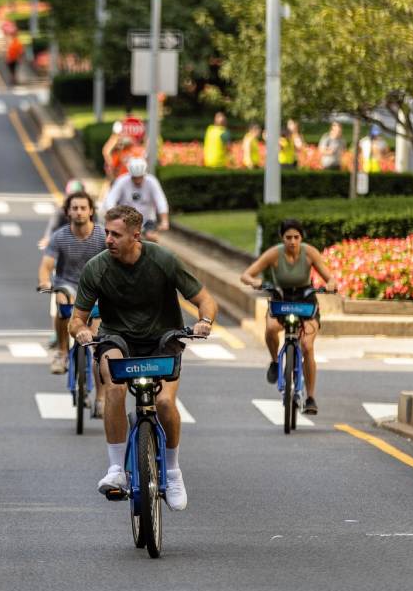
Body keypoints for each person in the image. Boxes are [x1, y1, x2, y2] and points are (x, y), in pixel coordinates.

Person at [70, 205, 217, 510]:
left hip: (163, 340)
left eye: (116, 234)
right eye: (106, 232)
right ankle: (115, 470)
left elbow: (204, 300)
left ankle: (173, 472)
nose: (108, 239)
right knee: (113, 386)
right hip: (117, 339)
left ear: (136, 236)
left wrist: (205, 322)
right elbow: (77, 319)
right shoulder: (96, 268)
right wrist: (82, 332)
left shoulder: (163, 260)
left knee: (164, 403)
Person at [240, 219, 337, 415]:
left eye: (296, 237)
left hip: (305, 299)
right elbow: (246, 275)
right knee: (270, 329)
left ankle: (310, 397)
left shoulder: (309, 253)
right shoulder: (274, 253)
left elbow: (330, 277)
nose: (292, 241)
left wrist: (330, 285)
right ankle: (275, 362)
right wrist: (255, 281)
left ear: (301, 238)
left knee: (308, 346)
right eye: (288, 237)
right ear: (282, 238)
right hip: (281, 298)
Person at [37, 191, 106, 374]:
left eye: (83, 208)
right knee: (62, 299)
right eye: (74, 208)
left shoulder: (102, 235)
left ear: (91, 211)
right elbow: (46, 266)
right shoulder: (59, 236)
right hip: (67, 284)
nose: (79, 212)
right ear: (68, 212)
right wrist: (45, 282)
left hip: (96, 288)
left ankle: (98, 359)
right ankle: (62, 352)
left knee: (98, 331)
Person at [102, 158, 169, 241]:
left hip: (148, 219)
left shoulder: (152, 182)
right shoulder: (122, 181)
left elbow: (160, 200)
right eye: (135, 178)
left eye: (140, 177)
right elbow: (110, 199)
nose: (137, 181)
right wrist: (112, 216)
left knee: (151, 237)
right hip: (126, 220)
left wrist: (164, 220)